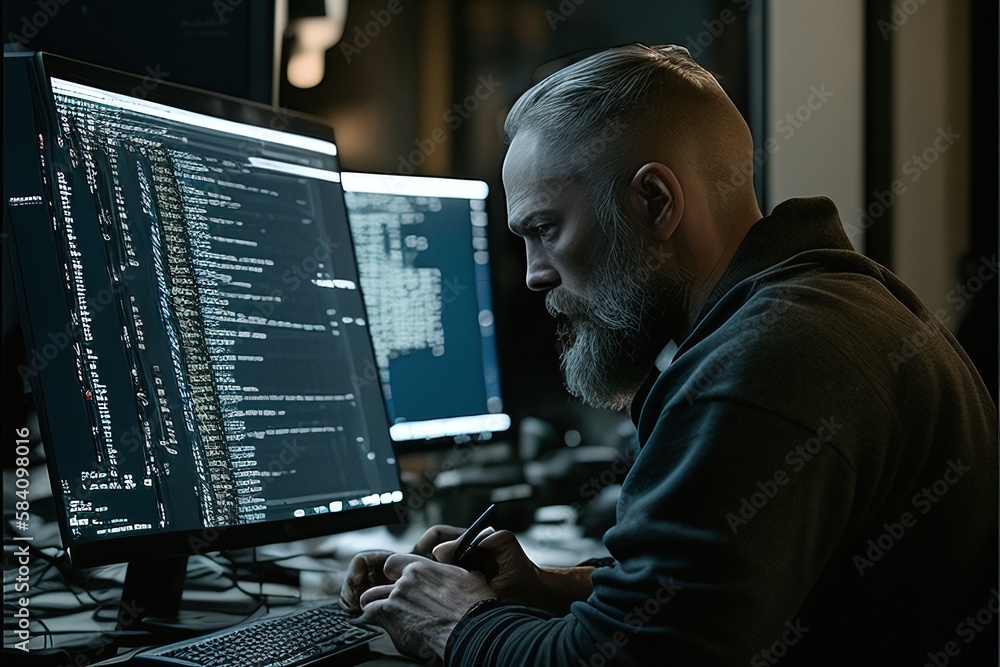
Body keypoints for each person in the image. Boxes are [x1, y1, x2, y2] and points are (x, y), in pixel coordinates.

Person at [341, 44, 998, 666]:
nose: (535, 275)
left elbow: (632, 660)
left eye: (545, 229)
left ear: (655, 201)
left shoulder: (768, 360)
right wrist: (550, 586)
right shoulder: (829, 305)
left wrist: (455, 620)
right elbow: (718, 596)